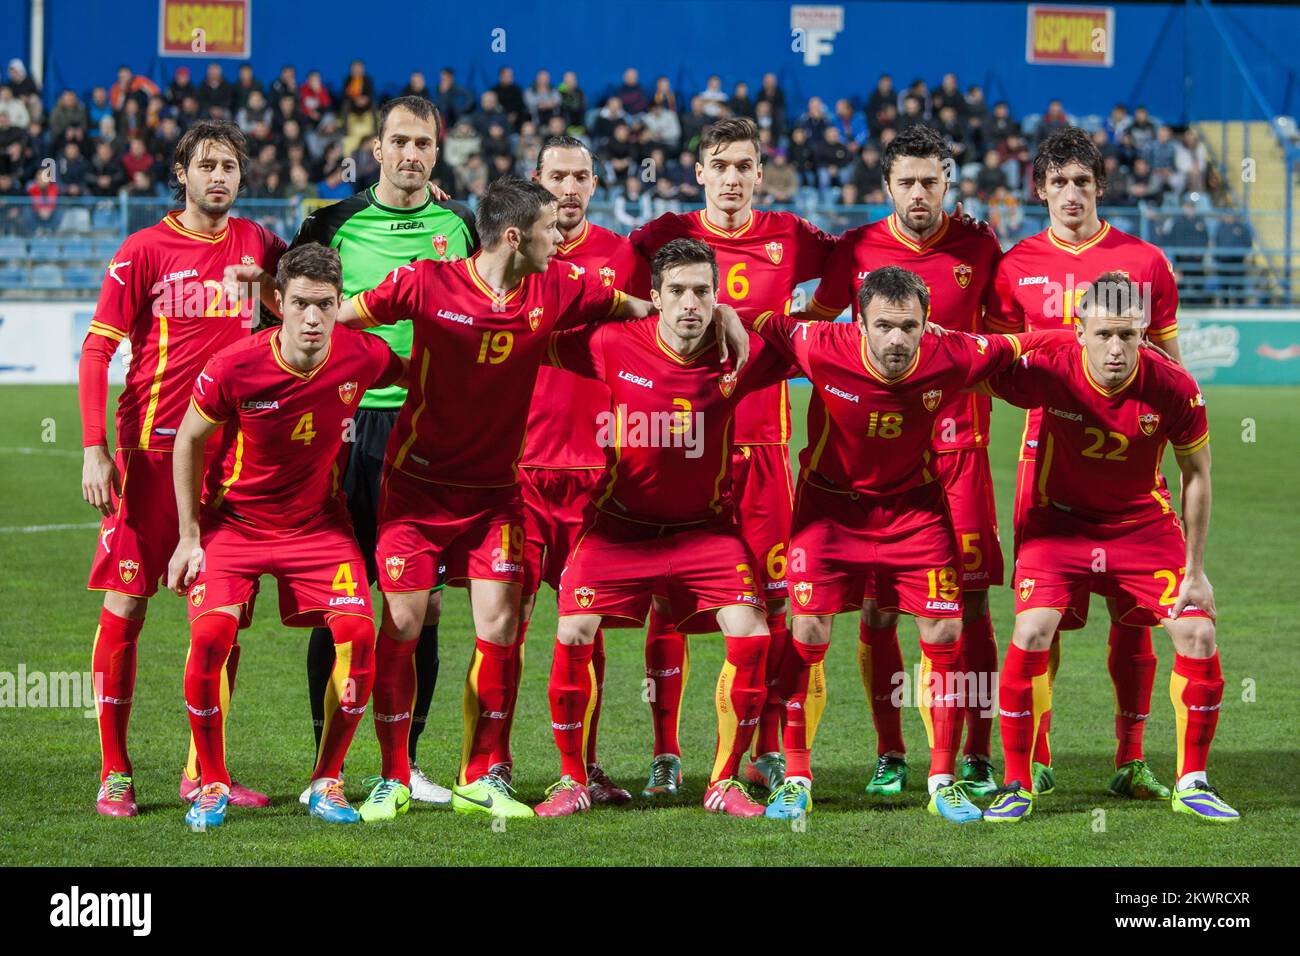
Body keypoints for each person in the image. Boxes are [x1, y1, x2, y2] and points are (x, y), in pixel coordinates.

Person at [333, 177, 749, 821]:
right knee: (404, 625)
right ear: (513, 236)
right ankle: (392, 774)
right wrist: (375, 371)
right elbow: (338, 319)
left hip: (497, 493)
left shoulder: (559, 287)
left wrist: (716, 311)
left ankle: (483, 774)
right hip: (416, 489)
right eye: (551, 231)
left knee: (499, 629)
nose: (562, 241)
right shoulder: (424, 283)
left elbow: (642, 309)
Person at [748, 267, 1074, 822]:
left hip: (916, 512)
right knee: (806, 631)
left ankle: (942, 779)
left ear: (927, 325)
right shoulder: (818, 342)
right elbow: (752, 320)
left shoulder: (952, 353)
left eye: (909, 327)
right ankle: (797, 776)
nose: (897, 340)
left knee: (946, 631)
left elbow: (1024, 342)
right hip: (829, 512)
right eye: (884, 327)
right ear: (859, 324)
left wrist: (1092, 334)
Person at [535, 238, 796, 818]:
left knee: (753, 632)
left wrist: (736, 319)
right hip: (618, 529)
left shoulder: (738, 353)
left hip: (704, 532)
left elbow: (811, 342)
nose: (689, 304)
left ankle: (724, 781)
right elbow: (537, 335)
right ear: (654, 297)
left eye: (703, 292)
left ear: (717, 297)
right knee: (574, 629)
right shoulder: (611, 343)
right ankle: (571, 780)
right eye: (676, 291)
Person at [79, 121, 286, 817]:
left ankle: (204, 772)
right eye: (207, 165)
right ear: (181, 173)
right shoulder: (144, 250)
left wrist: (268, 293)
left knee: (222, 621)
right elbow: (94, 353)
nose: (219, 177)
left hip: (231, 464)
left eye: (230, 165)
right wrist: (92, 448)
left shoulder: (257, 244)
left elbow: (317, 277)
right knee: (127, 606)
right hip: (148, 454)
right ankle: (115, 771)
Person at [628, 118, 836, 799]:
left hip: (765, 450)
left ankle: (767, 749)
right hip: (682, 447)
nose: (733, 178)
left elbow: (854, 260)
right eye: (720, 164)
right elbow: (596, 269)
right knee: (669, 599)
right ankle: (666, 751)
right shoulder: (662, 237)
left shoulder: (792, 236)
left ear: (759, 171)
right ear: (699, 173)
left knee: (773, 605)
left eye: (745, 165)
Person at [981, 273, 1236, 823]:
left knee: (1197, 627)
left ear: (1144, 332)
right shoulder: (1050, 366)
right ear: (1080, 331)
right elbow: (982, 366)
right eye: (1103, 335)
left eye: (1127, 334)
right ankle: (1017, 783)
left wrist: (1196, 571)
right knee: (1030, 632)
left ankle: (1192, 780)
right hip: (1060, 526)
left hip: (1141, 524)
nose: (1116, 349)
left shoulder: (1174, 386)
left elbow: (1197, 475)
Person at [169, 244, 405, 829]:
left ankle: (327, 780)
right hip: (236, 525)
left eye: (325, 305)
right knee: (211, 637)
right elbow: (187, 440)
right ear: (279, 302)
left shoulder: (362, 355)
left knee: (357, 634)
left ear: (339, 303)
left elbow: (425, 377)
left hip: (319, 526)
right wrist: (188, 536)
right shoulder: (236, 365)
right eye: (299, 303)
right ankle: (210, 782)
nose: (312, 318)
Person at [287, 96, 476, 808]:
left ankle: (406, 764)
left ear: (437, 152)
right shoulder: (331, 223)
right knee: (338, 599)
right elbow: (286, 318)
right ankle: (323, 766)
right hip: (344, 425)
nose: (410, 155)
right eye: (398, 141)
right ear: (376, 149)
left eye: (423, 143)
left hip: (430, 431)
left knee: (419, 604)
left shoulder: (461, 224)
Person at [808, 125, 1005, 798]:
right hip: (876, 465)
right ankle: (892, 752)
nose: (919, 193)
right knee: (876, 607)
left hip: (960, 455)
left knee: (968, 604)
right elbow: (819, 331)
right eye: (906, 182)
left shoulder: (979, 245)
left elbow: (1004, 342)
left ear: (948, 181)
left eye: (931, 181)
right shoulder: (855, 249)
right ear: (886, 186)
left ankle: (975, 753)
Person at [987, 126, 1182, 800]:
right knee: (1046, 617)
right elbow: (1000, 362)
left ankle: (1130, 759)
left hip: (1133, 465)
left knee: (1136, 619)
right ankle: (1035, 759)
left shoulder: (1146, 261)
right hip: (1049, 459)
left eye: (1083, 182)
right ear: (1039, 188)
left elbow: (1170, 367)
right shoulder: (1014, 266)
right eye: (1058, 182)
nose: (1071, 194)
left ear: (1100, 187)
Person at [507, 136, 652, 804]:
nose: (569, 187)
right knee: (503, 626)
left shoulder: (624, 257)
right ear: (537, 179)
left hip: (598, 470)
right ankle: (492, 766)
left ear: (595, 183)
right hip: (517, 467)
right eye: (557, 176)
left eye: (581, 177)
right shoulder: (510, 250)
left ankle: (584, 768)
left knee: (586, 630)